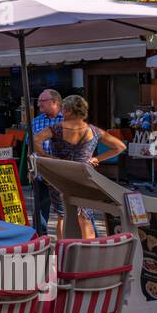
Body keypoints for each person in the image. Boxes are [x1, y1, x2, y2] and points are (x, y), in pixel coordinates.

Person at [32, 94, 126, 239]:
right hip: (83, 176)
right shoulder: (93, 131)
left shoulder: (56, 128)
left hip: (61, 177)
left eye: (63, 108)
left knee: (62, 216)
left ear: (69, 111)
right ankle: (92, 253)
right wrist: (96, 158)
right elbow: (119, 146)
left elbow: (35, 140)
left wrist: (48, 157)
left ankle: (63, 252)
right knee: (85, 216)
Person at [29, 89, 64, 236]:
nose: (38, 104)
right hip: (40, 170)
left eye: (42, 101)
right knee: (40, 206)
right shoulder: (36, 121)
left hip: (61, 171)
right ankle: (40, 238)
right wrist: (29, 169)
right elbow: (30, 146)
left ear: (54, 102)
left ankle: (65, 240)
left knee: (63, 210)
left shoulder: (68, 121)